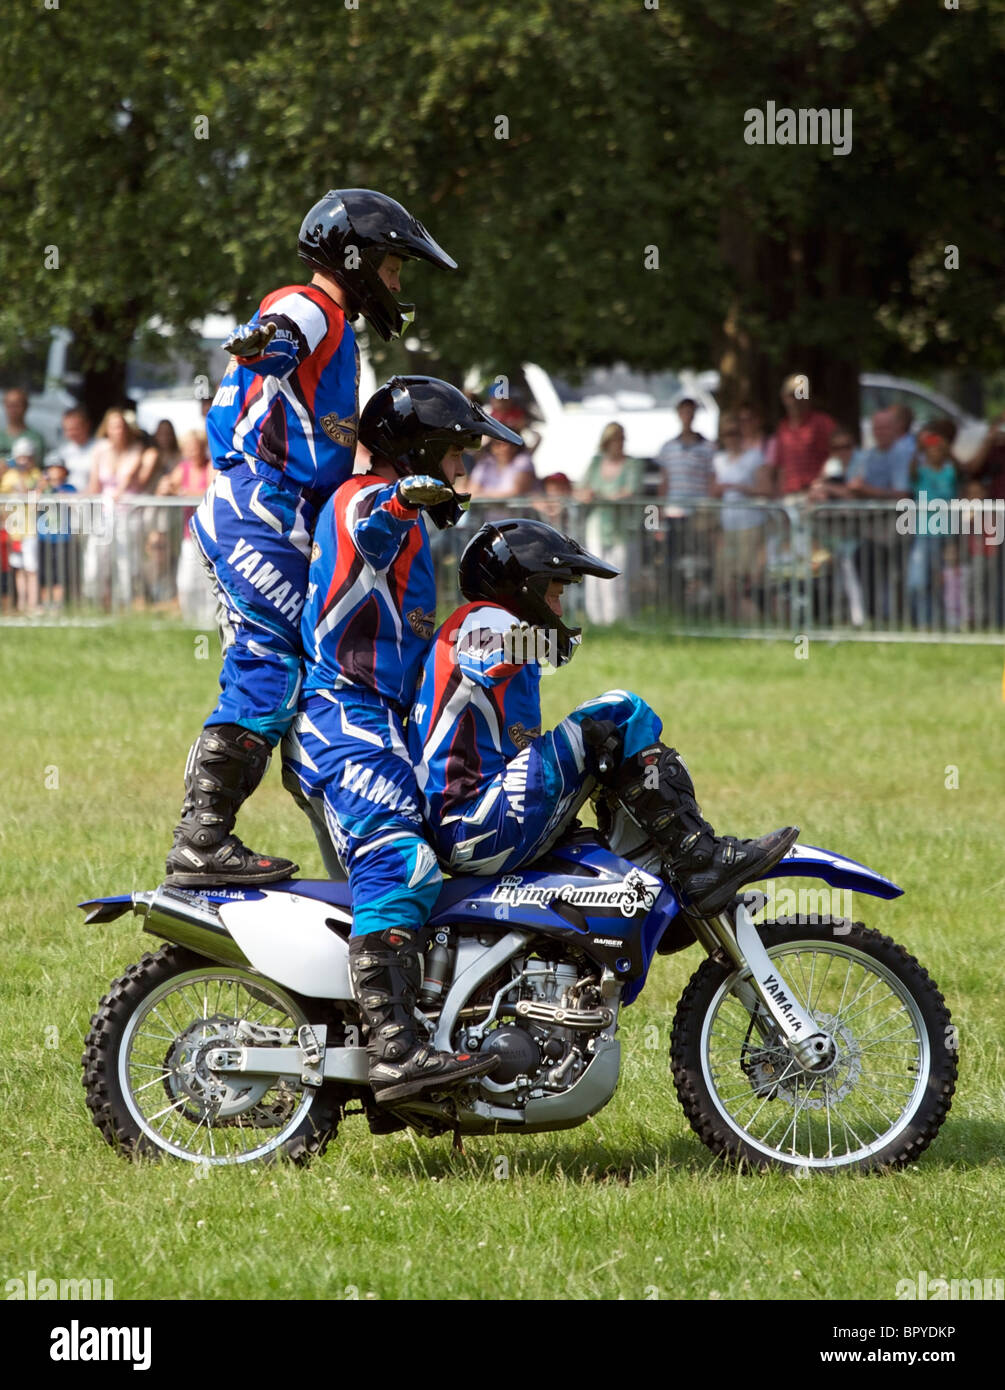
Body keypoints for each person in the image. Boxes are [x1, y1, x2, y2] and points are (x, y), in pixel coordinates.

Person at [165, 188, 457, 888]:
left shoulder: (340, 328)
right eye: (392, 268)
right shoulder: (312, 307)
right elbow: (280, 327)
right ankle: (201, 839)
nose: (395, 284)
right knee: (269, 668)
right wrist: (270, 343)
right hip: (259, 517)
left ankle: (348, 818)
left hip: (276, 517)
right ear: (354, 259)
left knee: (302, 674)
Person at [282, 376, 522, 1104]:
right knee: (401, 859)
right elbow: (369, 528)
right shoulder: (364, 500)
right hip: (341, 718)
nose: (464, 471)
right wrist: (401, 498)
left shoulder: (414, 520)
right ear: (419, 453)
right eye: (457, 454)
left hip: (379, 721)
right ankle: (392, 1051)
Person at [408, 517, 798, 915]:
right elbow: (485, 652)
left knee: (606, 749)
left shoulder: (489, 631)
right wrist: (526, 641)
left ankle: (665, 878)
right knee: (618, 711)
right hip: (473, 825)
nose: (559, 609)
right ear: (524, 589)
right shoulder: (481, 617)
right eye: (554, 594)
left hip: (473, 826)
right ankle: (699, 857)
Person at [578, 422, 645, 625]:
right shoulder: (595, 463)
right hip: (597, 525)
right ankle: (597, 619)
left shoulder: (633, 464)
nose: (619, 444)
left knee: (617, 575)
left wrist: (602, 496)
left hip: (622, 527)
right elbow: (581, 489)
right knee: (594, 575)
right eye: (615, 439)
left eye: (622, 439)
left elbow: (629, 492)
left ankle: (616, 619)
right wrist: (588, 495)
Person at [656, 398, 715, 613]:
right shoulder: (668, 448)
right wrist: (660, 511)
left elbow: (711, 479)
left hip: (698, 512)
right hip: (674, 513)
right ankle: (675, 605)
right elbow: (665, 481)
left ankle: (700, 608)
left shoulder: (707, 447)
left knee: (700, 562)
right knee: (674, 562)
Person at [83, 408, 145, 608]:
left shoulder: (136, 449)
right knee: (96, 558)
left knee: (125, 560)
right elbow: (94, 484)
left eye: (120, 426)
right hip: (104, 513)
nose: (117, 431)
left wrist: (114, 496)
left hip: (127, 512)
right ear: (106, 429)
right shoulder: (100, 449)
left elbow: (125, 482)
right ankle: (97, 603)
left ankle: (125, 604)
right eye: (113, 426)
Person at [711, 412, 767, 621]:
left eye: (735, 433)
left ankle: (751, 621)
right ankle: (731, 620)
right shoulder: (718, 460)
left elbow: (766, 489)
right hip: (727, 526)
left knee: (748, 576)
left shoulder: (755, 457)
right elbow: (713, 491)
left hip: (750, 524)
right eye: (727, 433)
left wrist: (741, 488)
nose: (731, 437)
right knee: (727, 577)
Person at [906, 418, 957, 628]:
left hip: (945, 533)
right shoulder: (921, 472)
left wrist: (947, 447)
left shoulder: (949, 471)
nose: (934, 450)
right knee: (918, 581)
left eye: (938, 448)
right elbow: (911, 470)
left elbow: (959, 472)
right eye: (931, 448)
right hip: (923, 533)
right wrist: (918, 447)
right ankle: (922, 622)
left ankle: (939, 623)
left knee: (941, 582)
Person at [764, 376, 835, 498]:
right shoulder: (782, 427)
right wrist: (779, 495)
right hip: (789, 496)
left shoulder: (822, 422)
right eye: (793, 395)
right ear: (784, 398)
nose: (797, 399)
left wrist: (822, 483)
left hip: (815, 495)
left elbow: (835, 455)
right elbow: (781, 465)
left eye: (801, 394)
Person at [1, 437, 42, 612]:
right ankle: (22, 604)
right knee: (18, 569)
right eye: (20, 457)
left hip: (30, 530)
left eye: (27, 457)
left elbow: (36, 495)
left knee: (31, 568)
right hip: (14, 530)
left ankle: (33, 604)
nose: (24, 461)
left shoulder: (36, 475)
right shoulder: (9, 477)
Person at [37, 458, 79, 610]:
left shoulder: (69, 488)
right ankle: (44, 604)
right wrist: (42, 488)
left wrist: (62, 496)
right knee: (44, 572)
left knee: (60, 572)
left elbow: (76, 506)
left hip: (63, 537)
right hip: (43, 536)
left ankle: (57, 605)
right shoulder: (43, 488)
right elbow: (32, 505)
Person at [47, 407, 96, 493]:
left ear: (87, 425)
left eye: (75, 429)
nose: (72, 433)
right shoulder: (61, 452)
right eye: (68, 430)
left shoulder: (100, 448)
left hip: (92, 500)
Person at [0, 388, 45, 467]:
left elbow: (38, 467)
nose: (13, 410)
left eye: (17, 405)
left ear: (26, 407)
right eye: (9, 405)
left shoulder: (35, 439)